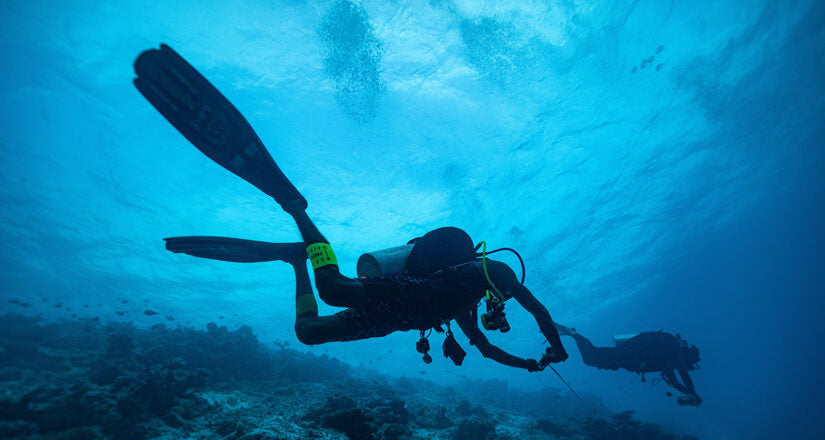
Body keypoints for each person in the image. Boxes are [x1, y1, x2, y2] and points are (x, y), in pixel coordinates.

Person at [134, 44, 568, 372]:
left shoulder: (468, 309)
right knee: (334, 289)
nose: (501, 307)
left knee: (309, 333)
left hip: (399, 318)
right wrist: (557, 344)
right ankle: (295, 210)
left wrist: (531, 364)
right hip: (412, 295)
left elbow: (487, 348)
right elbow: (538, 309)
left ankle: (294, 259)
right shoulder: (490, 270)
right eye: (503, 303)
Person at [555, 324, 702, 406]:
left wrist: (689, 394)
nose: (689, 366)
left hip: (626, 360)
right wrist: (693, 393)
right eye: (691, 362)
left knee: (590, 358)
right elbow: (684, 376)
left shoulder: (669, 361)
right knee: (590, 358)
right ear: (688, 356)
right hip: (627, 355)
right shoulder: (674, 352)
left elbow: (676, 381)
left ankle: (573, 334)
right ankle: (572, 333)